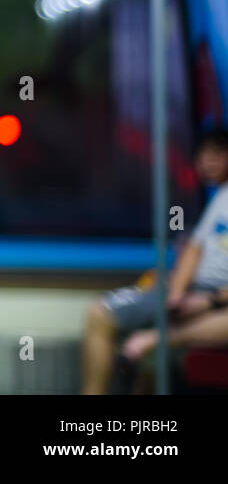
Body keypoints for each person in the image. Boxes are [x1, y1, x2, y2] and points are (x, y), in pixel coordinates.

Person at [81, 127, 228, 393]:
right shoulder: (221, 196)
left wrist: (210, 300)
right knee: (100, 313)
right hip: (194, 291)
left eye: (218, 153)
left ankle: (153, 339)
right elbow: (194, 249)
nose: (208, 161)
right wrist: (178, 292)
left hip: (217, 299)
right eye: (203, 153)